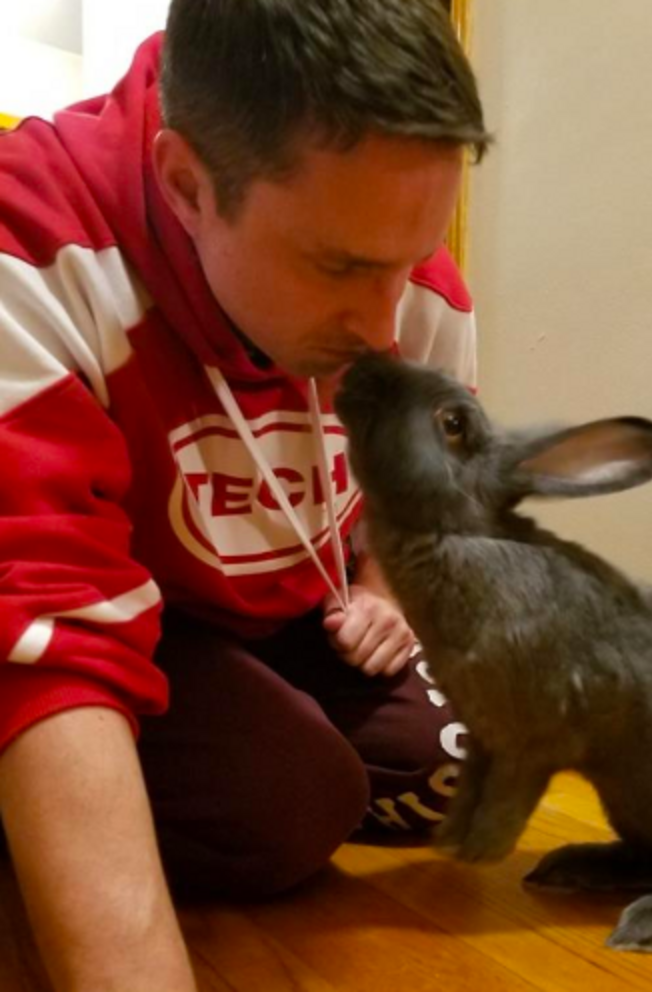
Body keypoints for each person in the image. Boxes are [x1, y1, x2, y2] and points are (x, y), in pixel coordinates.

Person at [0, 1, 491, 989]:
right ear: (187, 184)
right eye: (341, 265)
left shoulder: (412, 287)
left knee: (464, 756)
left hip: (282, 609)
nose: (384, 319)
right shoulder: (35, 249)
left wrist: (387, 585)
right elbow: (46, 631)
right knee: (290, 802)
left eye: (407, 258)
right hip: (118, 615)